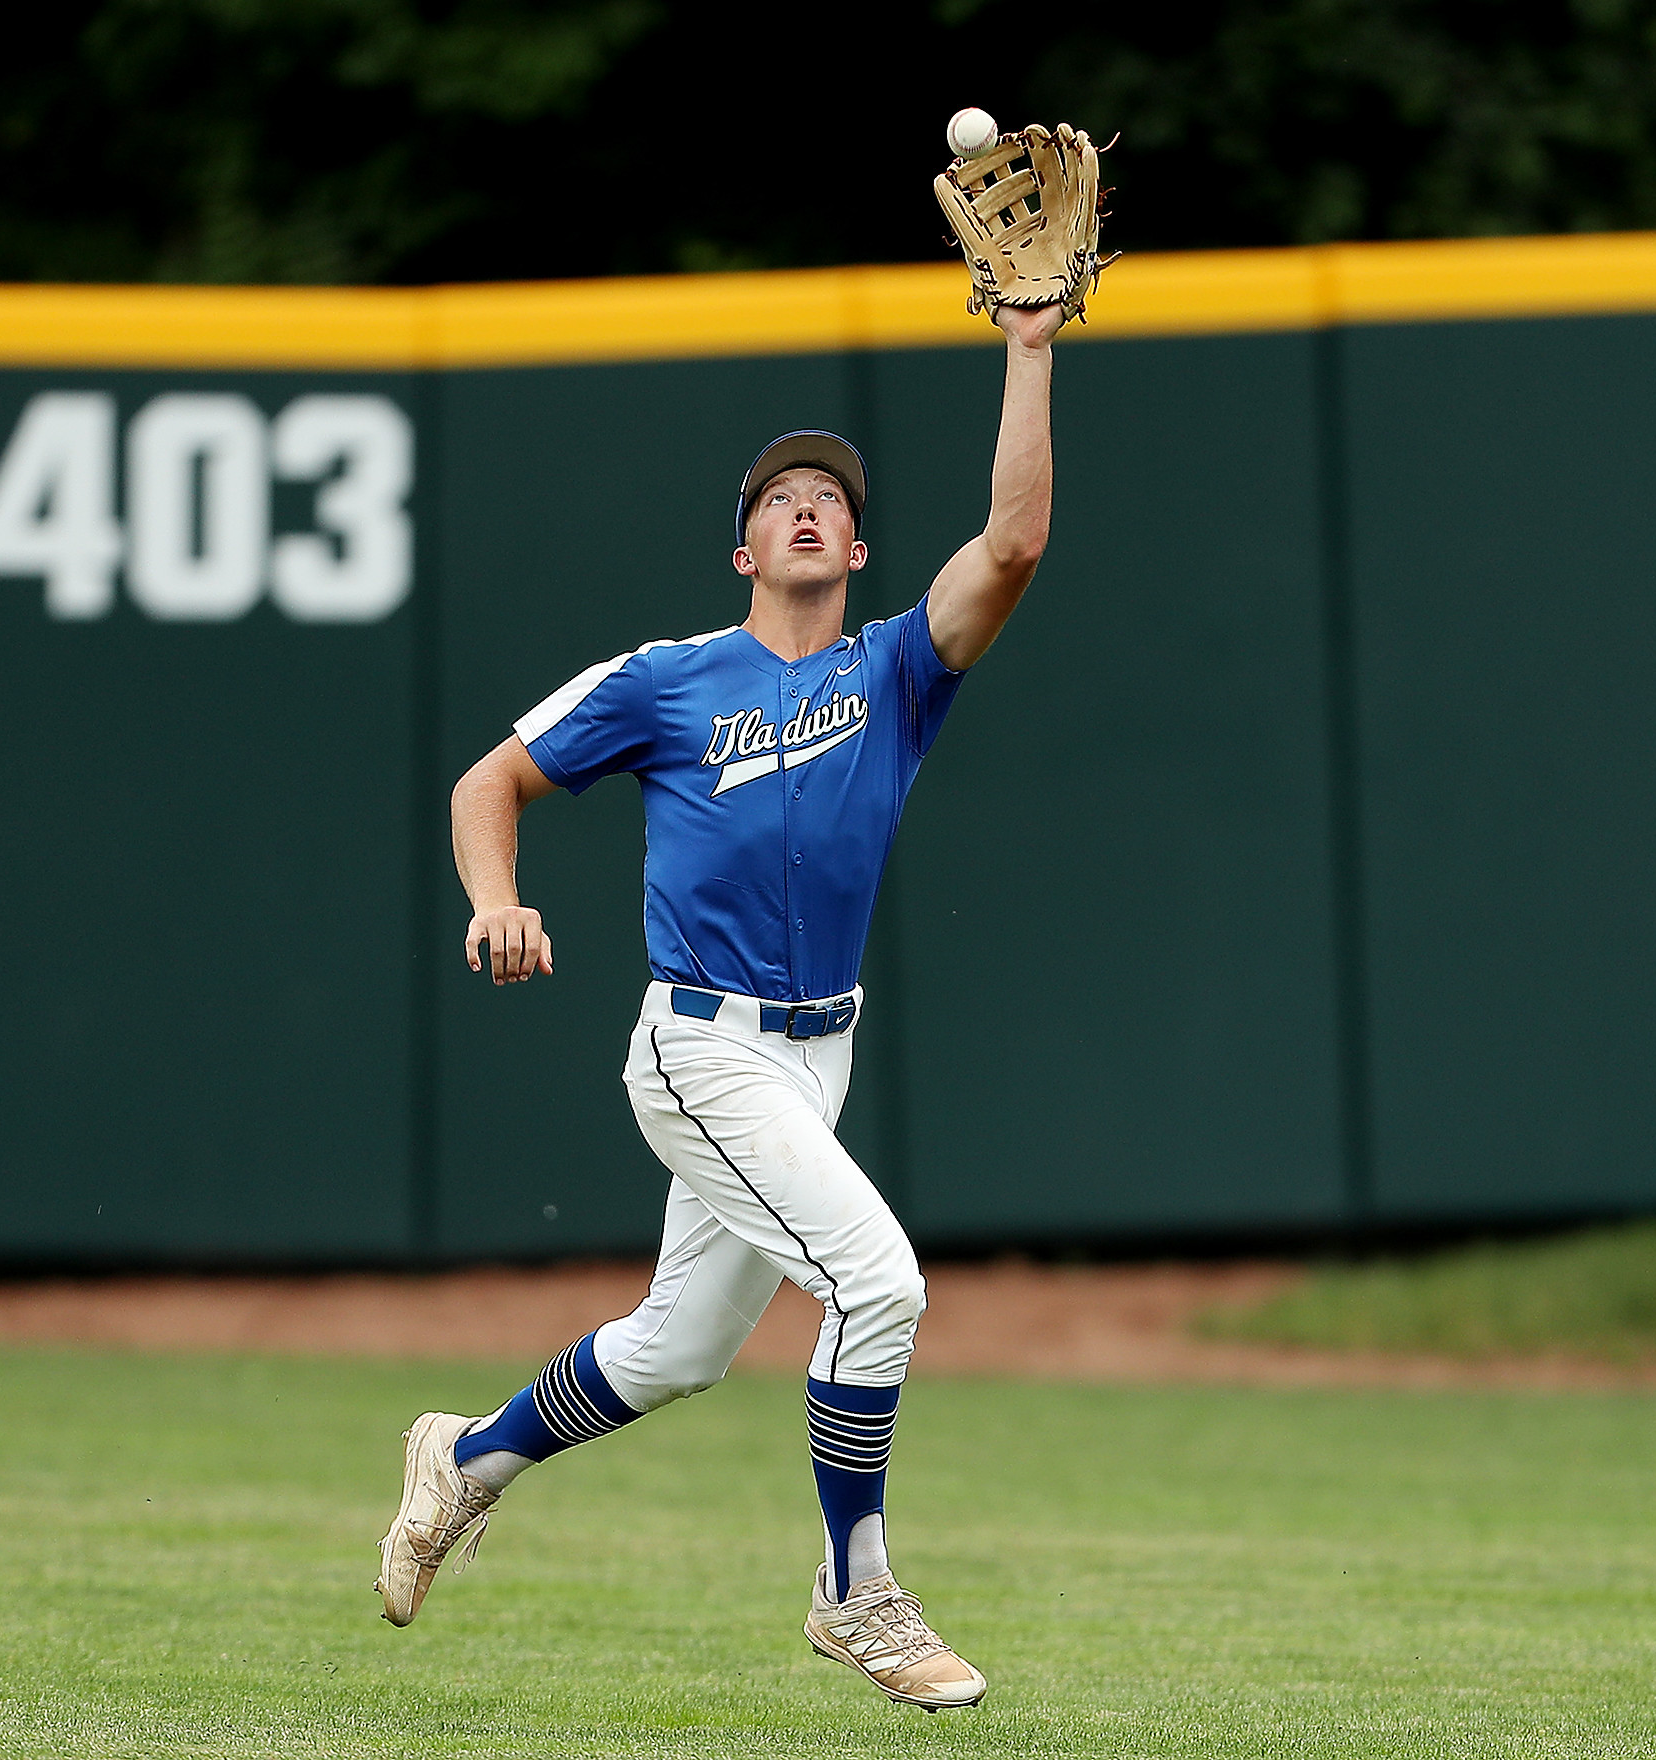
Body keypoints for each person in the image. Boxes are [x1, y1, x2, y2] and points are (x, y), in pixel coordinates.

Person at [376, 299, 1065, 1712]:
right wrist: (493, 898)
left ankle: (465, 1458)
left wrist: (1031, 350)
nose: (806, 511)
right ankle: (854, 1591)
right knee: (878, 1284)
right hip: (701, 1046)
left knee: (680, 1345)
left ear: (858, 549)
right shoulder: (668, 680)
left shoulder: (894, 674)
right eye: (779, 502)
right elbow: (485, 784)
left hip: (821, 1054)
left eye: (829, 501)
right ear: (743, 548)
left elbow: (1012, 545)